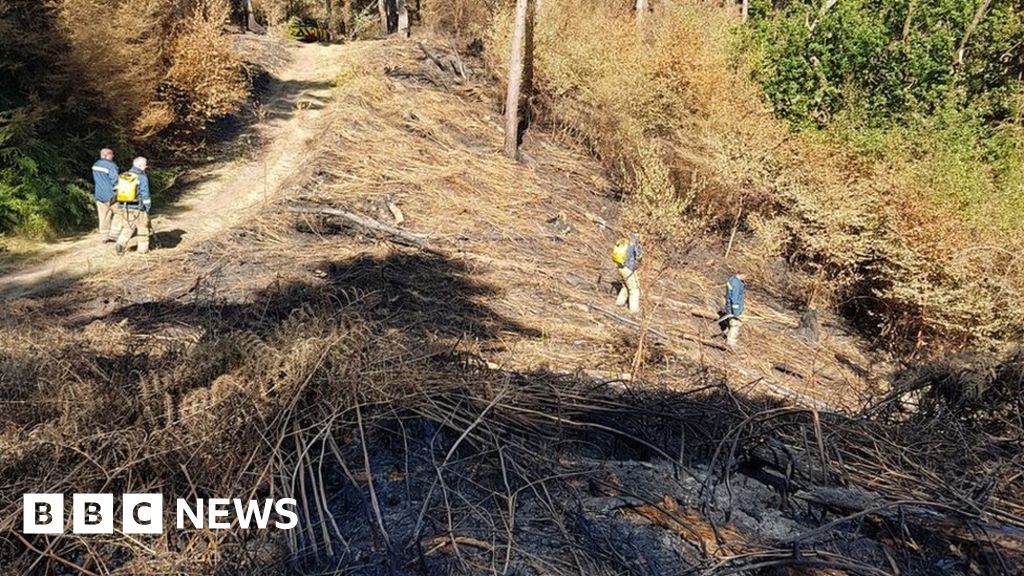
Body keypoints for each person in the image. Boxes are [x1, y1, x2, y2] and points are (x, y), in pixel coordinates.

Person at [114, 157, 153, 255]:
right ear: (139, 166)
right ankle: (143, 250)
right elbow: (145, 194)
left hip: (125, 206)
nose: (146, 166)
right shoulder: (142, 177)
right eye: (145, 164)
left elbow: (116, 190)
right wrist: (147, 208)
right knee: (142, 228)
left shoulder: (124, 175)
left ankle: (120, 244)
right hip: (138, 207)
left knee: (128, 227)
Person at [91, 148, 119, 242]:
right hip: (111, 194)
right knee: (119, 213)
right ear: (107, 155)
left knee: (103, 215)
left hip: (99, 194)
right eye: (112, 154)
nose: (113, 156)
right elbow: (115, 181)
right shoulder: (111, 165)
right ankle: (114, 234)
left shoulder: (95, 165)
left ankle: (104, 236)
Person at [613, 233, 642, 314]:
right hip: (628, 269)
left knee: (625, 286)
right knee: (634, 289)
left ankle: (620, 302)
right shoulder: (634, 245)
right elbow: (639, 256)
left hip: (620, 267)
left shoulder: (624, 242)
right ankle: (634, 310)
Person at [722, 273, 748, 348]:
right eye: (746, 275)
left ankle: (727, 333)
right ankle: (730, 342)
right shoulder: (736, 284)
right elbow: (734, 298)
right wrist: (736, 312)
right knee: (735, 324)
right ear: (742, 274)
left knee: (732, 323)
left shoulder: (733, 280)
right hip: (734, 309)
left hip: (731, 308)